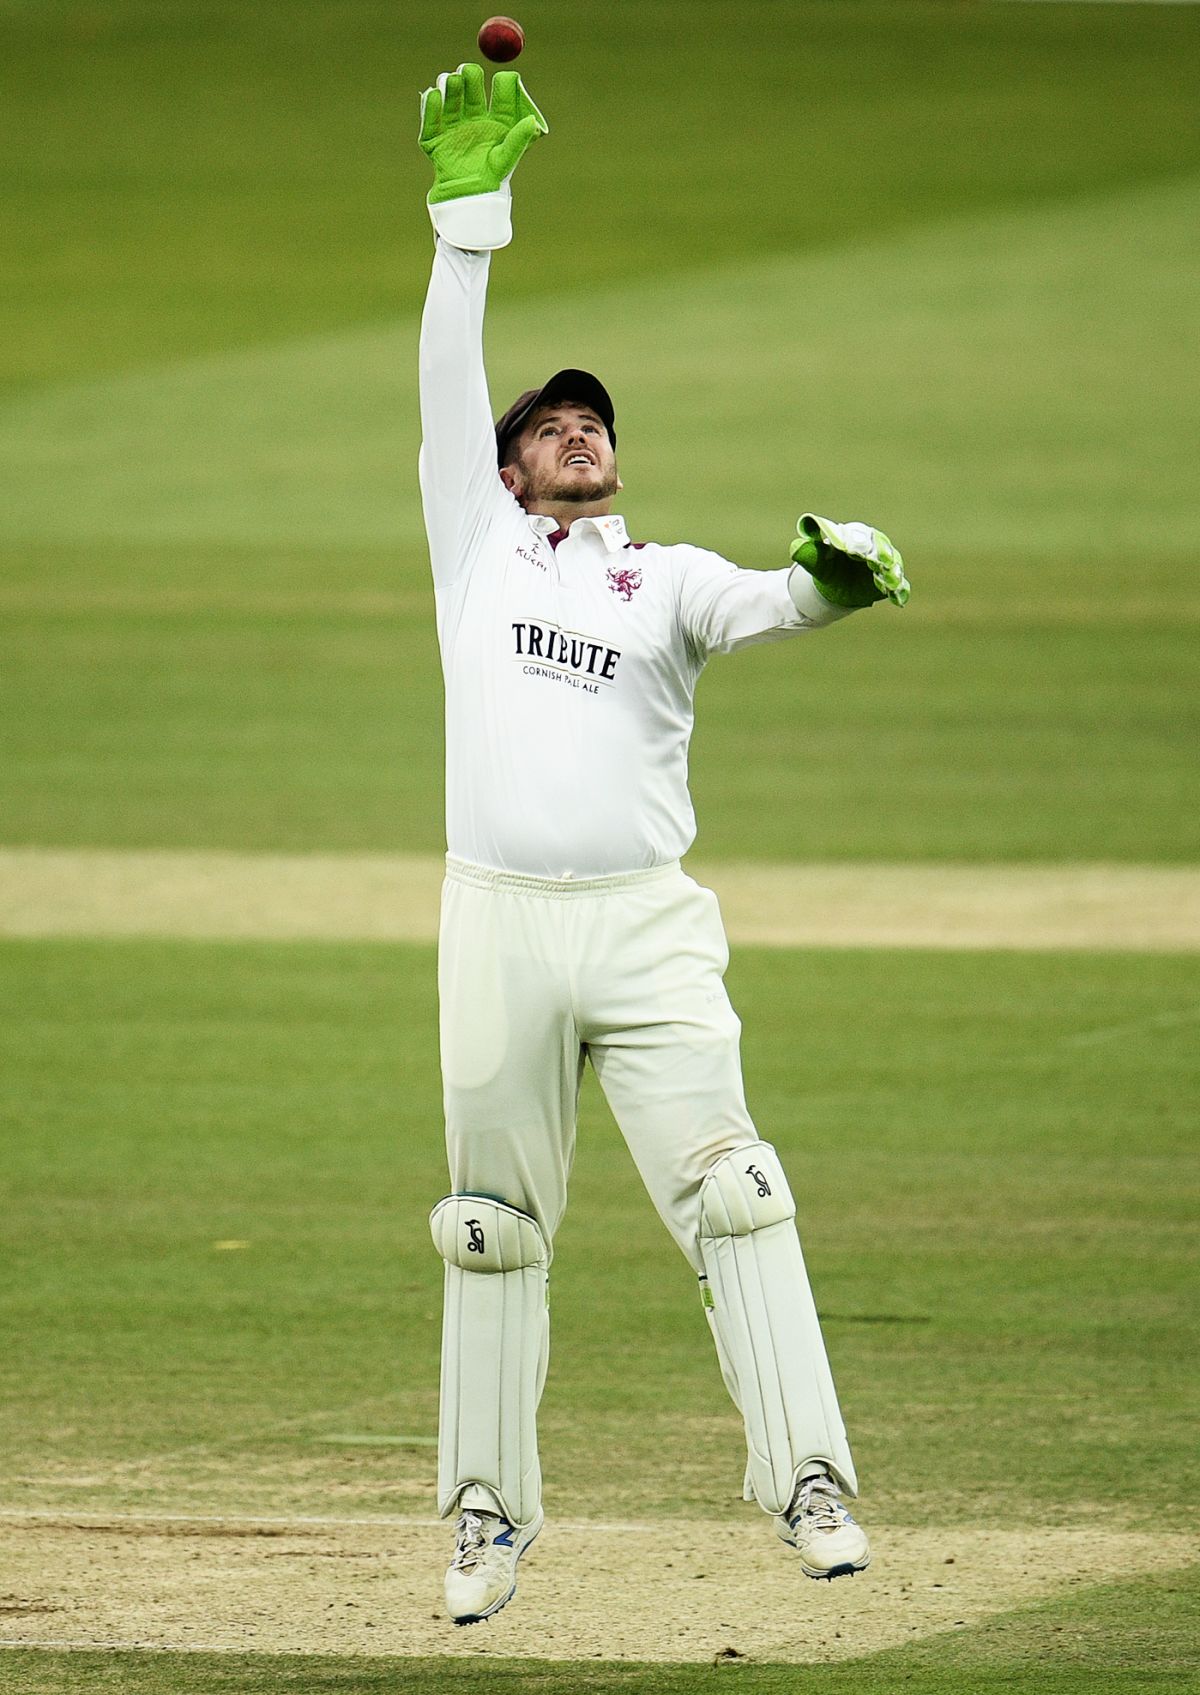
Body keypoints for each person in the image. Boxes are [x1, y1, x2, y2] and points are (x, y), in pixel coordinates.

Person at [417, 63, 909, 1627]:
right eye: (548, 427)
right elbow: (444, 372)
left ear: (615, 463)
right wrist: (465, 224)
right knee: (491, 1231)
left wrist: (839, 576)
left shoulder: (670, 579)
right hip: (495, 922)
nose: (576, 434)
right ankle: (488, 1521)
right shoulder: (476, 550)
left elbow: (777, 597)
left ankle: (810, 1482)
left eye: (593, 424)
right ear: (504, 474)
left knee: (738, 1192)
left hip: (643, 924)